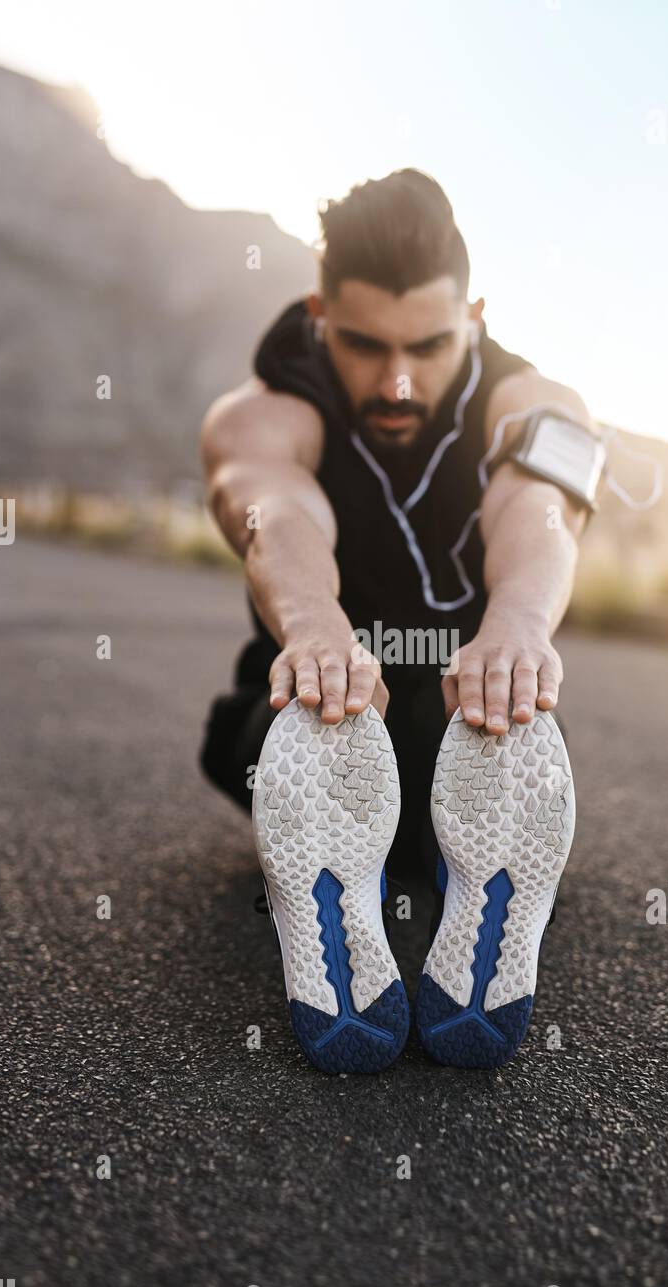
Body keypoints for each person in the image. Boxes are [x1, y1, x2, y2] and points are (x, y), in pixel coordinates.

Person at [199, 168, 602, 1073]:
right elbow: (270, 504)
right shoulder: (259, 411)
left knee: (494, 739)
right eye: (364, 345)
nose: (397, 381)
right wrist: (312, 629)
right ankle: (367, 858)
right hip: (314, 710)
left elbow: (542, 505)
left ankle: (407, 865)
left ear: (478, 317)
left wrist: (520, 628)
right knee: (287, 736)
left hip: (470, 711)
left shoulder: (535, 404)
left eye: (427, 345)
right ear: (317, 316)